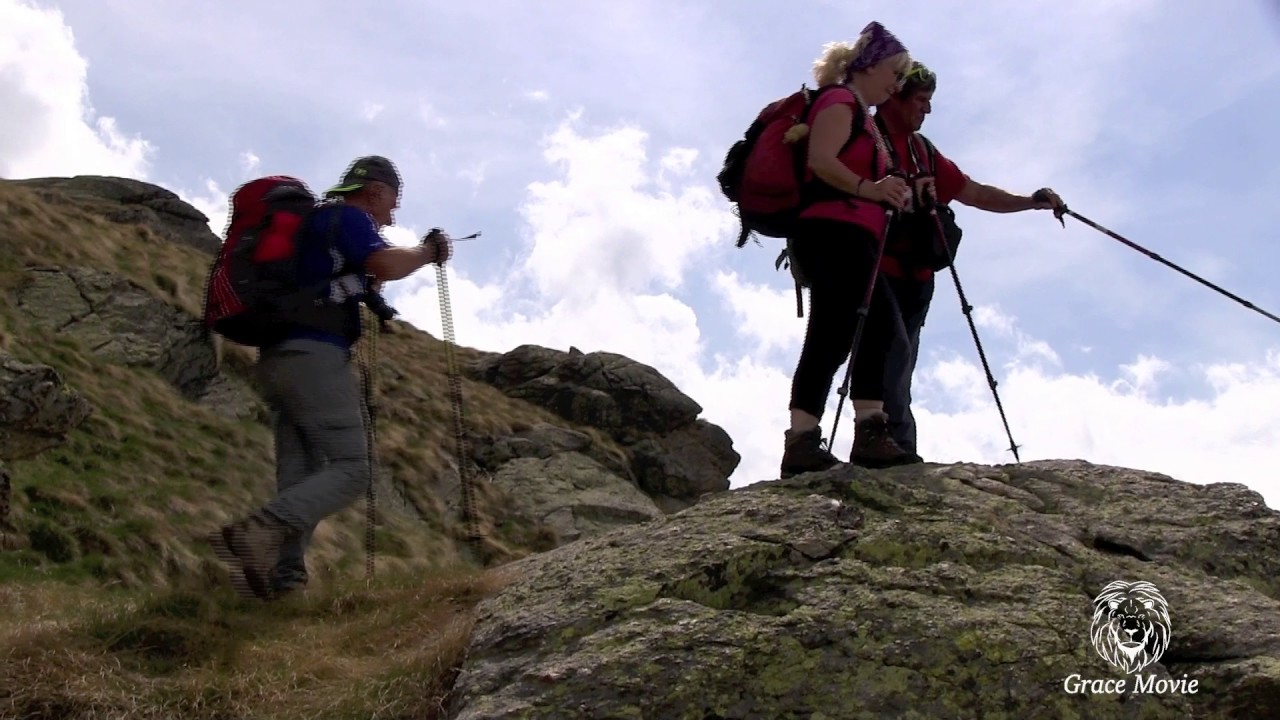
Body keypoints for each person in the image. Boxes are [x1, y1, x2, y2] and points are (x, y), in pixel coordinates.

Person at [207, 155, 453, 600]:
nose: (391, 215)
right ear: (375, 192)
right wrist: (428, 251)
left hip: (277, 357)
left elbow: (350, 279)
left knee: (301, 475)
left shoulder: (315, 227)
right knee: (352, 470)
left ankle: (282, 583)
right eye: (392, 203)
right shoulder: (347, 216)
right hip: (315, 355)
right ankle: (259, 532)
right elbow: (385, 265)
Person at [872, 62, 1064, 461]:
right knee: (889, 357)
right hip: (874, 272)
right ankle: (885, 447)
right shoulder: (866, 140)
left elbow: (974, 193)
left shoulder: (923, 151)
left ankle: (894, 448)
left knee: (900, 363)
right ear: (895, 96)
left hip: (917, 278)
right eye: (922, 101)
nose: (927, 111)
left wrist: (1031, 203)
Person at [779, 21, 916, 479]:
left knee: (836, 333)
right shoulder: (840, 102)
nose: (897, 84)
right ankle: (867, 433)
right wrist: (871, 189)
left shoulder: (858, 111)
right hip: (835, 232)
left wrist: (890, 194)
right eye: (894, 74)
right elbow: (821, 160)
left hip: (842, 233)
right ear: (871, 65)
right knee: (875, 327)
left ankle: (805, 440)